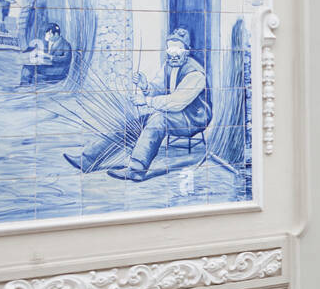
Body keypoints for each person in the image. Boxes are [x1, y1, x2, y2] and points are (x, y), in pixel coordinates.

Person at [64, 28, 211, 180]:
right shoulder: (168, 66)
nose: (173, 53)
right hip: (175, 114)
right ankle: (88, 159)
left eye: (178, 49)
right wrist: (146, 86)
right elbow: (158, 88)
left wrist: (147, 101)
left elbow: (176, 102)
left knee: (159, 120)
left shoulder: (195, 73)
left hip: (193, 118)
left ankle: (136, 169)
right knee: (135, 123)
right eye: (170, 48)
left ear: (187, 51)